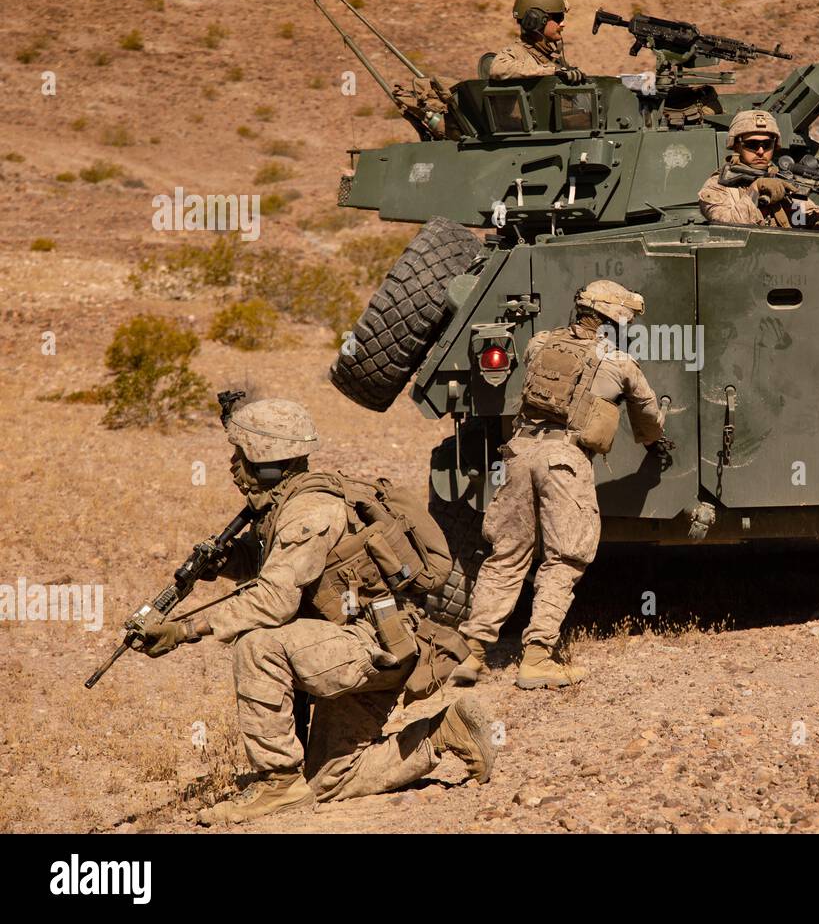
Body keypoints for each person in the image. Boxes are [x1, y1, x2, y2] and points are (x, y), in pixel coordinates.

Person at [136, 398, 496, 825]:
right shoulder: (291, 501)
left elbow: (274, 599)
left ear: (265, 461)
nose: (233, 465)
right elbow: (291, 565)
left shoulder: (309, 512)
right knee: (329, 781)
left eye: (241, 455)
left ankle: (277, 783)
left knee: (258, 646)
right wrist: (230, 561)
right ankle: (443, 734)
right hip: (368, 645)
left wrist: (185, 629)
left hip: (367, 646)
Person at [452, 282, 666, 689]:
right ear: (614, 319)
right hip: (564, 461)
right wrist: (654, 442)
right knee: (565, 556)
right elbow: (649, 418)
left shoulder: (538, 343)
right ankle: (537, 657)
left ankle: (472, 654)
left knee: (507, 554)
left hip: (518, 454)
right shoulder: (618, 361)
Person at [697, 109, 819, 228]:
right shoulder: (718, 185)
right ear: (736, 147)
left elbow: (806, 222)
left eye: (767, 144)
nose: (761, 151)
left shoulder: (784, 180)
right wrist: (756, 188)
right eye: (752, 145)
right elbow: (730, 227)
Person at [488, 0, 586, 83]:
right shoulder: (516, 52)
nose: (562, 24)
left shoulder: (550, 55)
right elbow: (497, 69)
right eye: (558, 18)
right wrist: (550, 70)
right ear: (536, 20)